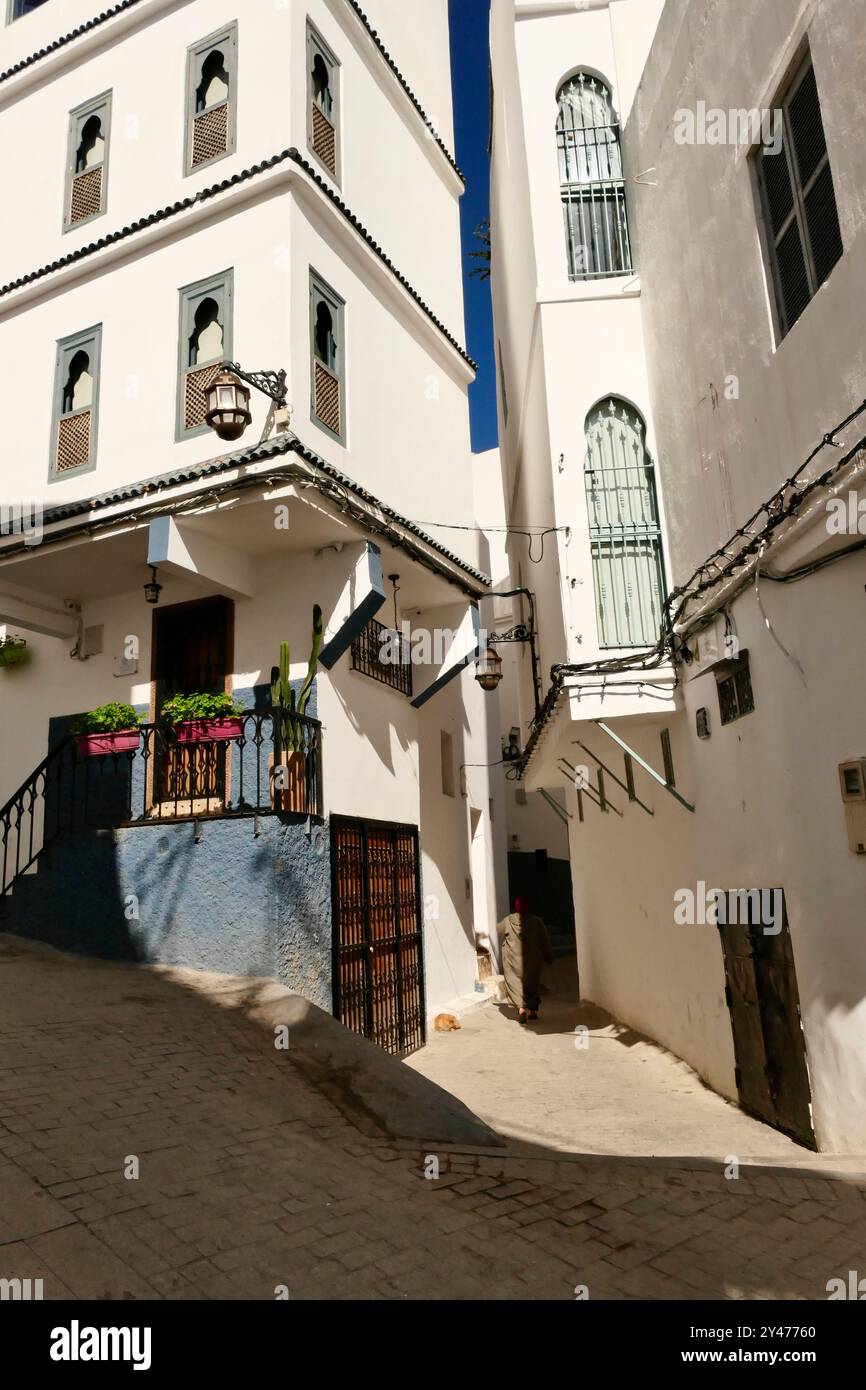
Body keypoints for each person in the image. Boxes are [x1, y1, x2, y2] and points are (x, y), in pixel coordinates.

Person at [496, 897, 554, 1024]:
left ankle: (522, 1010)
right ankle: (532, 1011)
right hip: (532, 961)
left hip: (513, 961)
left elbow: (498, 929)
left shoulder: (508, 920)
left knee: (516, 984)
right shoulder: (536, 921)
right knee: (531, 984)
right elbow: (544, 940)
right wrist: (549, 956)